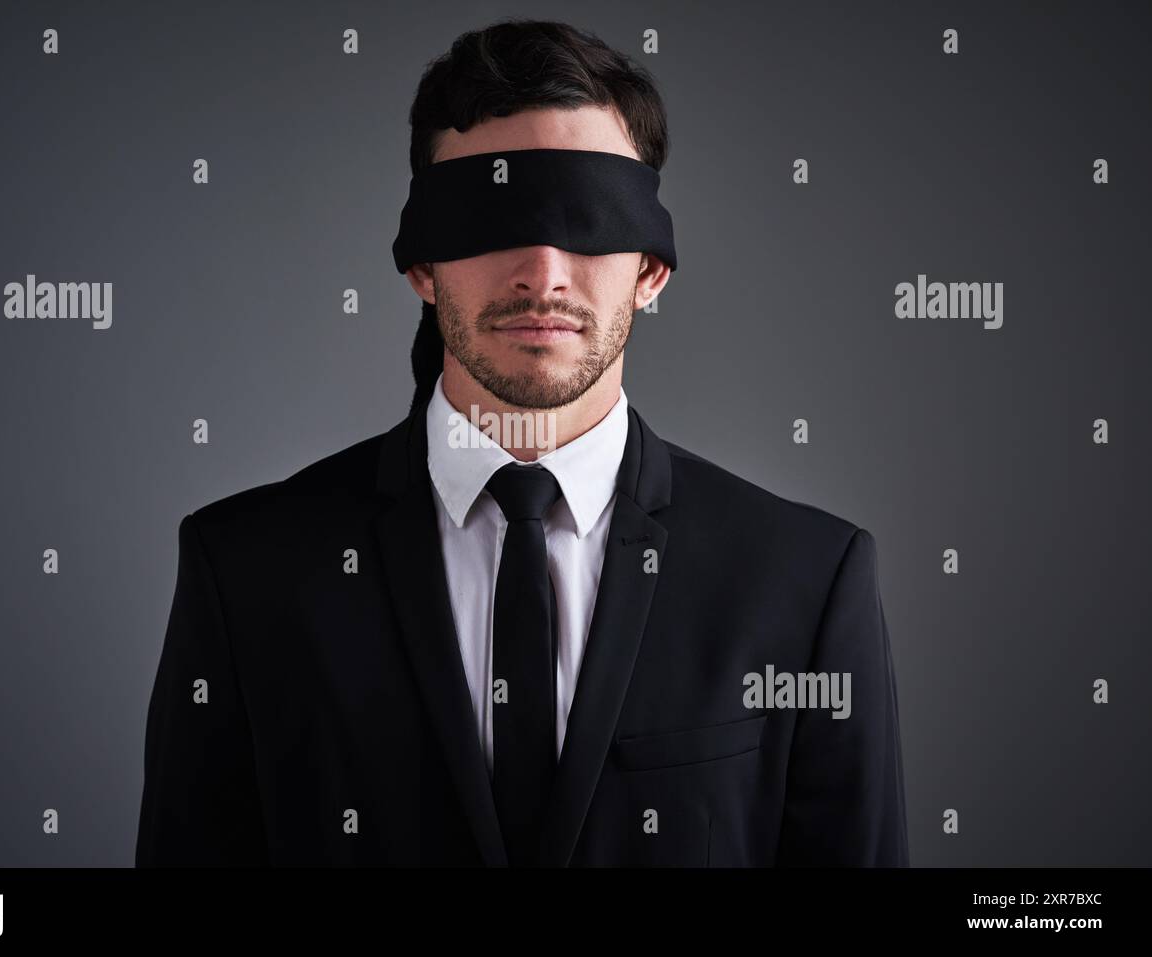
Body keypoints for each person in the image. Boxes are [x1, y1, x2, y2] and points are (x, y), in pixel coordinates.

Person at [136, 17, 909, 867]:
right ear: (422, 265)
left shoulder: (804, 582)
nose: (543, 271)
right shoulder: (248, 572)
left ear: (651, 270)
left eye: (588, 218)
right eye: (490, 218)